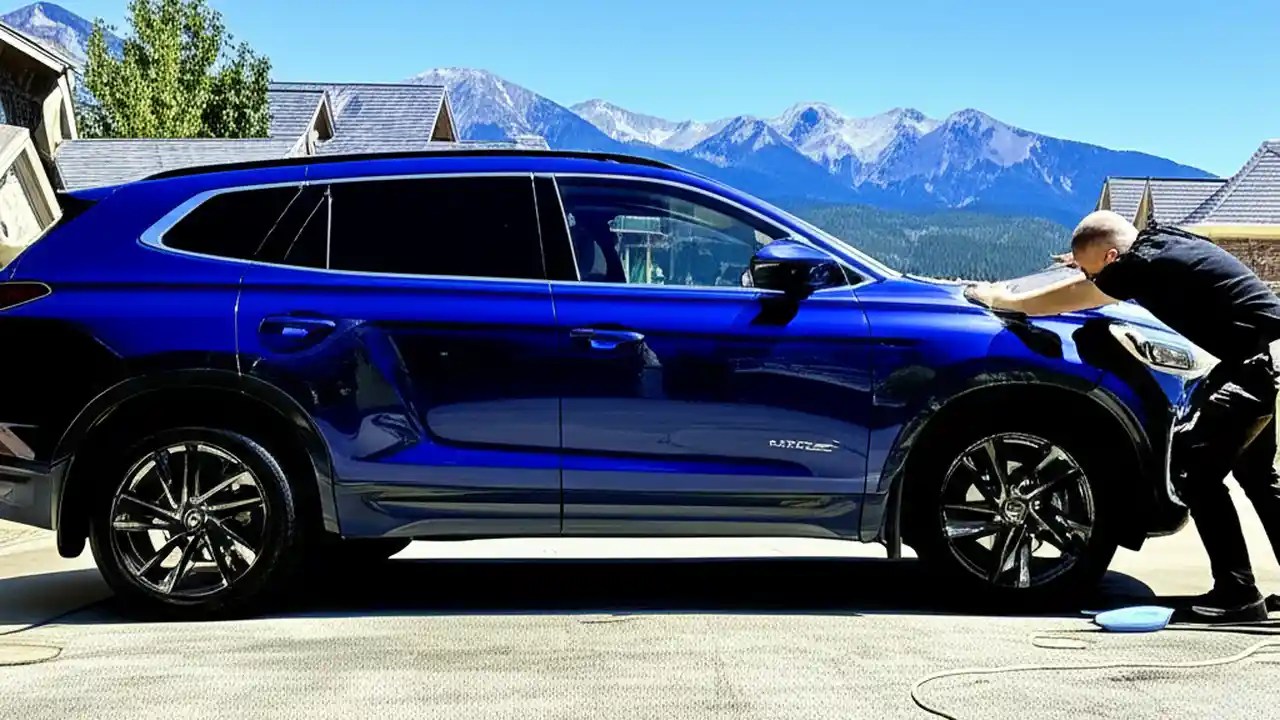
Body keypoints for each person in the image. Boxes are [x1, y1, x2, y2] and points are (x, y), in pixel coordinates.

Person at [965, 209, 1280, 622]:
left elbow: (1076, 296)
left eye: (1093, 270)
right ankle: (1240, 590)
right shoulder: (1160, 242)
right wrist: (1081, 263)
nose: (1091, 277)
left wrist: (1002, 299)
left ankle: (1238, 594)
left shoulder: (1139, 265)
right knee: (1256, 478)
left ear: (1112, 257)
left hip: (1253, 367)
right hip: (1265, 355)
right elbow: (1094, 272)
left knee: (1195, 471)